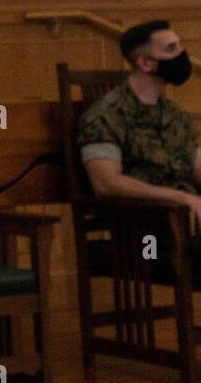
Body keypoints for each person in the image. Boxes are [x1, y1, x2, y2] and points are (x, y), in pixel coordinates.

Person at [78, 19, 201, 236]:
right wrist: (181, 198)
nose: (182, 55)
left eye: (179, 46)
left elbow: (196, 165)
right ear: (145, 63)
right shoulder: (105, 115)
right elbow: (105, 183)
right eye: (171, 49)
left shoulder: (175, 115)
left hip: (189, 218)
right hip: (144, 228)